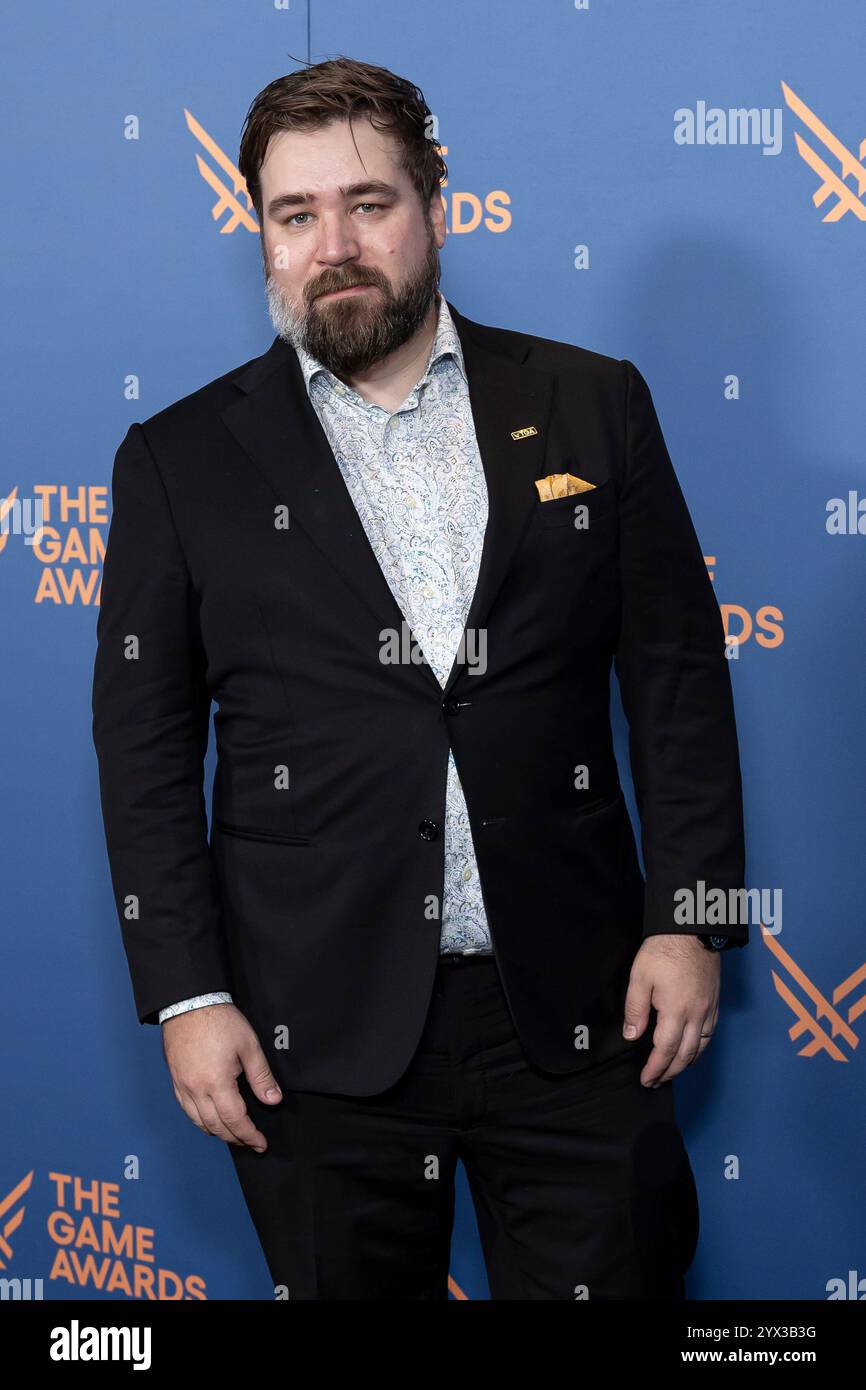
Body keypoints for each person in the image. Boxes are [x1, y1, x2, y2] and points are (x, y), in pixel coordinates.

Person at [92, 56, 748, 1300]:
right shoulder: (179, 461)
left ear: (436, 204)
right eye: (296, 216)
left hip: (578, 1010)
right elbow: (144, 754)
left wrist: (693, 918)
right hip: (311, 1035)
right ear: (264, 236)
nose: (333, 244)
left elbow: (675, 681)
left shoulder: (589, 404)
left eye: (368, 203)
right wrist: (185, 993)